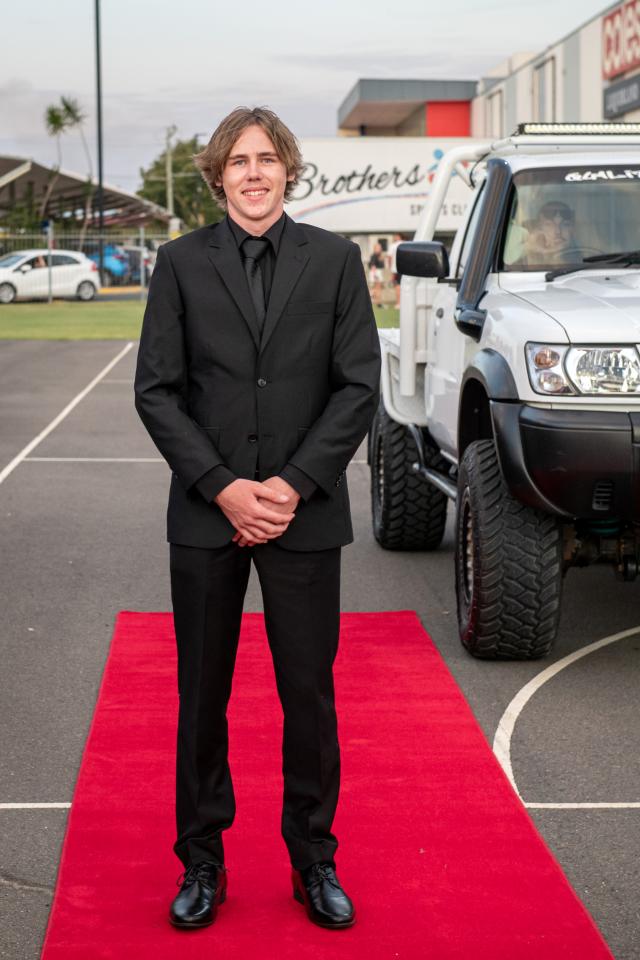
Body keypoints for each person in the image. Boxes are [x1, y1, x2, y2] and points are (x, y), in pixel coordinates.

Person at [134, 106, 381, 932]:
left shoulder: (338, 261)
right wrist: (224, 488)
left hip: (303, 517)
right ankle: (202, 860)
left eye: (266, 158)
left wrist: (291, 486)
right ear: (217, 175)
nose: (252, 172)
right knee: (201, 695)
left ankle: (315, 860)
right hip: (207, 517)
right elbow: (157, 392)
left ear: (287, 169)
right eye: (238, 160)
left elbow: (356, 387)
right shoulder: (177, 264)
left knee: (306, 695)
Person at [387, 233, 403, 307]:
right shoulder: (404, 244)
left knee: (397, 286)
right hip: (404, 269)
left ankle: (398, 303)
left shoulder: (393, 245)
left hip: (396, 269)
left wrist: (390, 267)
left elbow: (389, 257)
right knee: (402, 286)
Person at [368, 241, 385, 307]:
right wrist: (375, 275)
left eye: (380, 247)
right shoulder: (374, 255)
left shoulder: (379, 255)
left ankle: (378, 302)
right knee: (377, 288)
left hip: (378, 272)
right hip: (376, 272)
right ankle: (376, 301)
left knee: (378, 288)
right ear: (375, 248)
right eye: (378, 247)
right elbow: (373, 266)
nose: (380, 248)